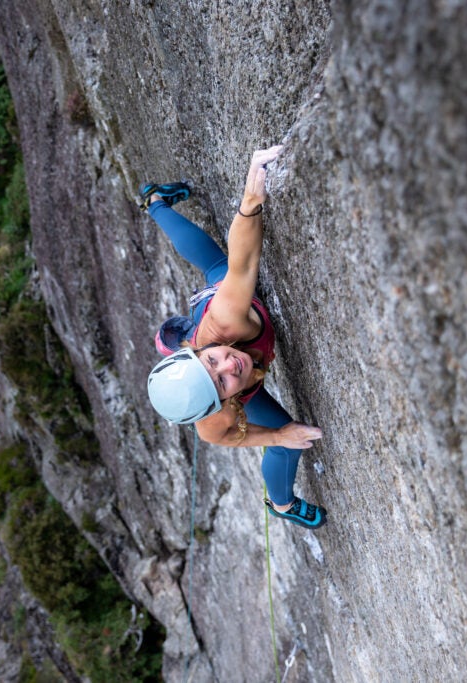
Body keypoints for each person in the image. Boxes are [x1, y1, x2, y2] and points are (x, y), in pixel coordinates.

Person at [141, 145, 327, 529]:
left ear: (200, 351)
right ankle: (282, 505)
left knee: (219, 267)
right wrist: (278, 437)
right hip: (234, 384)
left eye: (212, 360)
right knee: (286, 444)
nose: (230, 364)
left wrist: (251, 200)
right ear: (222, 401)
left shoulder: (226, 324)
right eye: (222, 381)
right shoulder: (213, 415)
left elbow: (243, 261)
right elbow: (223, 437)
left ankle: (155, 203)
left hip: (211, 313)